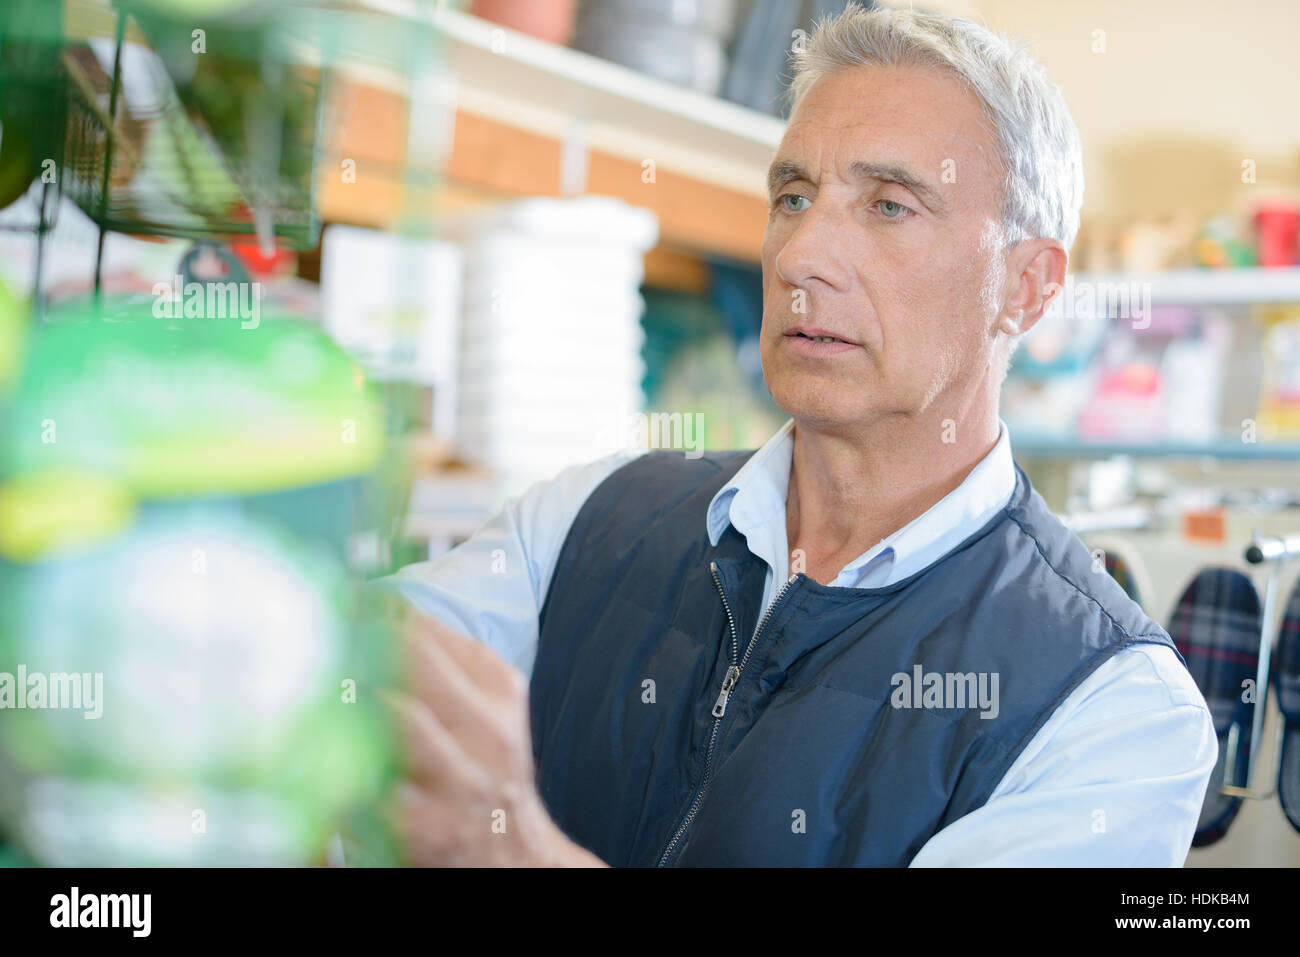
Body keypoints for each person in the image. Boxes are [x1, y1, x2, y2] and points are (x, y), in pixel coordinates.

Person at [378, 3, 1217, 867]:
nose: (799, 254)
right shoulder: (581, 519)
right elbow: (323, 677)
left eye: (889, 205)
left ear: (1026, 287)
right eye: (793, 196)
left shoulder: (1113, 713)